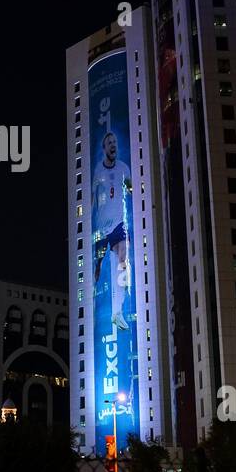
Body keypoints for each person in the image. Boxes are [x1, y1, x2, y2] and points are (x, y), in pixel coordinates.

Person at [92, 131, 133, 332]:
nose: (113, 145)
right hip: (101, 229)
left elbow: (132, 189)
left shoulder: (124, 168)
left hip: (118, 224)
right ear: (104, 148)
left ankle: (118, 312)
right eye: (109, 143)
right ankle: (92, 305)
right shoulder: (98, 171)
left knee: (123, 259)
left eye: (115, 142)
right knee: (97, 270)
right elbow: (91, 199)